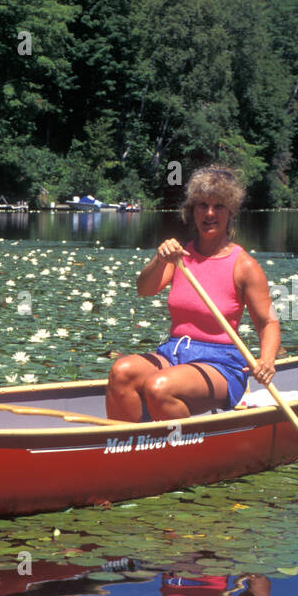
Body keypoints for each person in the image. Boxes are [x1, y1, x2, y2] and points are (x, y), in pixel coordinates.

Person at [106, 166, 279, 422]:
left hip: (221, 363)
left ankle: (177, 450)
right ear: (193, 210)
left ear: (230, 211)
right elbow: (144, 289)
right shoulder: (179, 257)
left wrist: (266, 360)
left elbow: (268, 322)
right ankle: (127, 448)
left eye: (219, 206)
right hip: (174, 352)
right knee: (121, 371)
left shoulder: (244, 266)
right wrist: (159, 259)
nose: (210, 213)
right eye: (202, 205)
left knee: (159, 386)